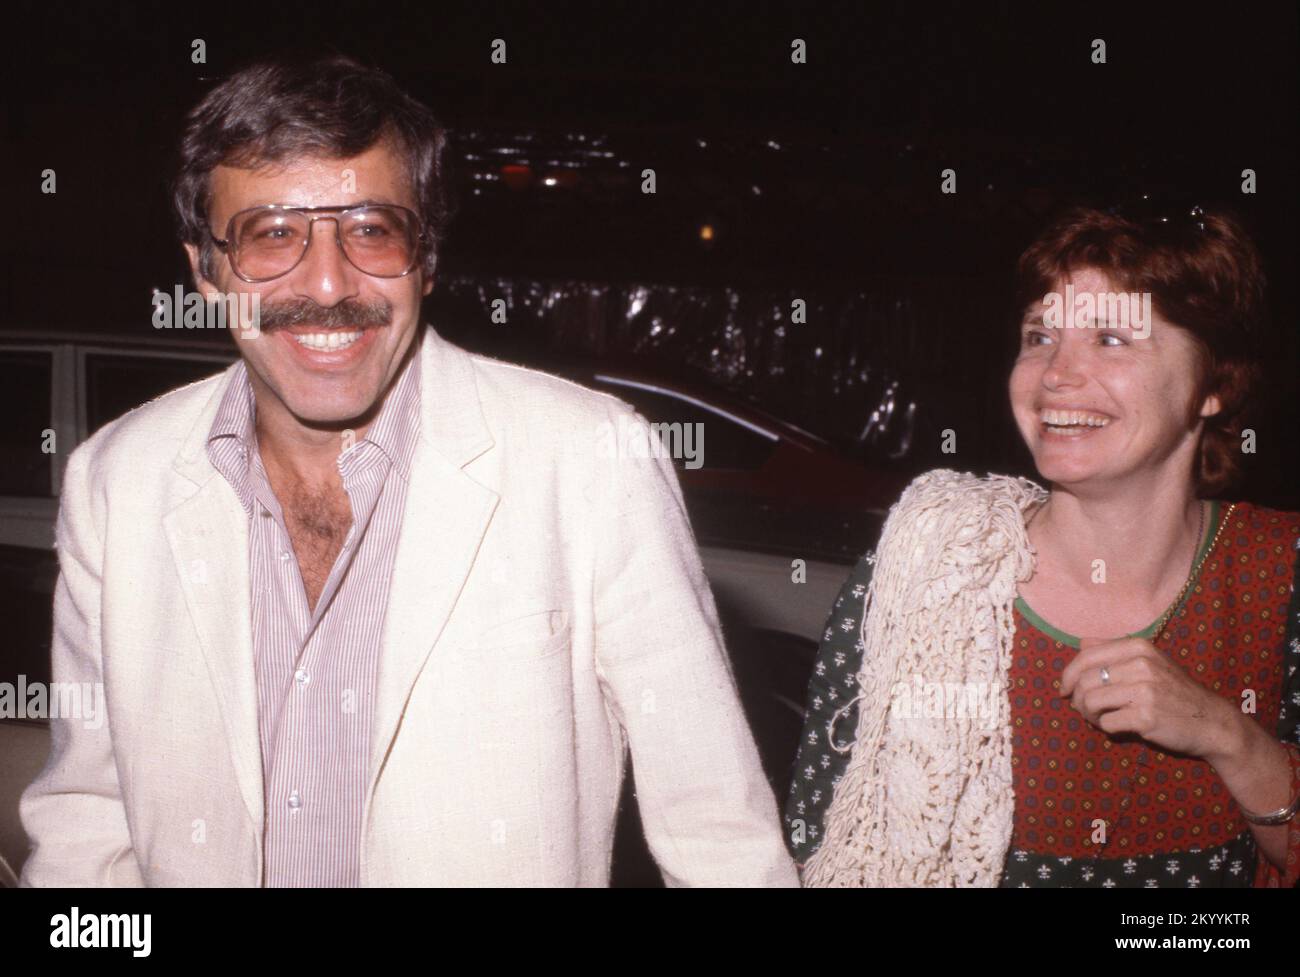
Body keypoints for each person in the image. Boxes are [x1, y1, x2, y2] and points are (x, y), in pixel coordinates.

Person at [19, 53, 797, 887]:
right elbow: (85, 829)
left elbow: (722, 847)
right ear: (205, 271)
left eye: (372, 229)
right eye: (272, 233)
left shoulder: (589, 464)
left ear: (426, 259)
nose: (327, 283)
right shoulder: (116, 483)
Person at [786, 203, 1300, 887]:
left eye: (1112, 339)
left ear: (1215, 384)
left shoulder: (1280, 573)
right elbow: (819, 848)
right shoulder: (923, 577)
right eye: (1038, 336)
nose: (1056, 374)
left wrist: (1226, 734)